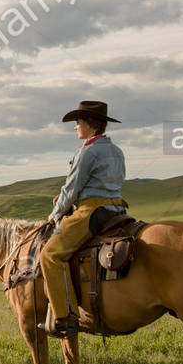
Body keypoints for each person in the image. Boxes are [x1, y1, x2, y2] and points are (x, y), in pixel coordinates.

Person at [38, 100, 128, 338]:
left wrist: (56, 212)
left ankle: (64, 317)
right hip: (118, 209)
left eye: (78, 122)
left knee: (50, 255)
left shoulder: (87, 151)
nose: (75, 126)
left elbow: (72, 188)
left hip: (91, 212)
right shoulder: (117, 151)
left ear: (90, 124)